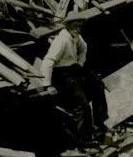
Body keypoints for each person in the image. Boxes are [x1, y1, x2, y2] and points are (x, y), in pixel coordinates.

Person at [41, 11, 109, 146]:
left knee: (98, 87)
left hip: (74, 69)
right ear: (68, 25)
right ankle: (84, 142)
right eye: (75, 26)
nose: (78, 29)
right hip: (62, 74)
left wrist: (80, 63)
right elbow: (47, 61)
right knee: (82, 107)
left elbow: (84, 48)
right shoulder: (61, 40)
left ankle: (99, 129)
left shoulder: (76, 37)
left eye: (80, 26)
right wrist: (47, 85)